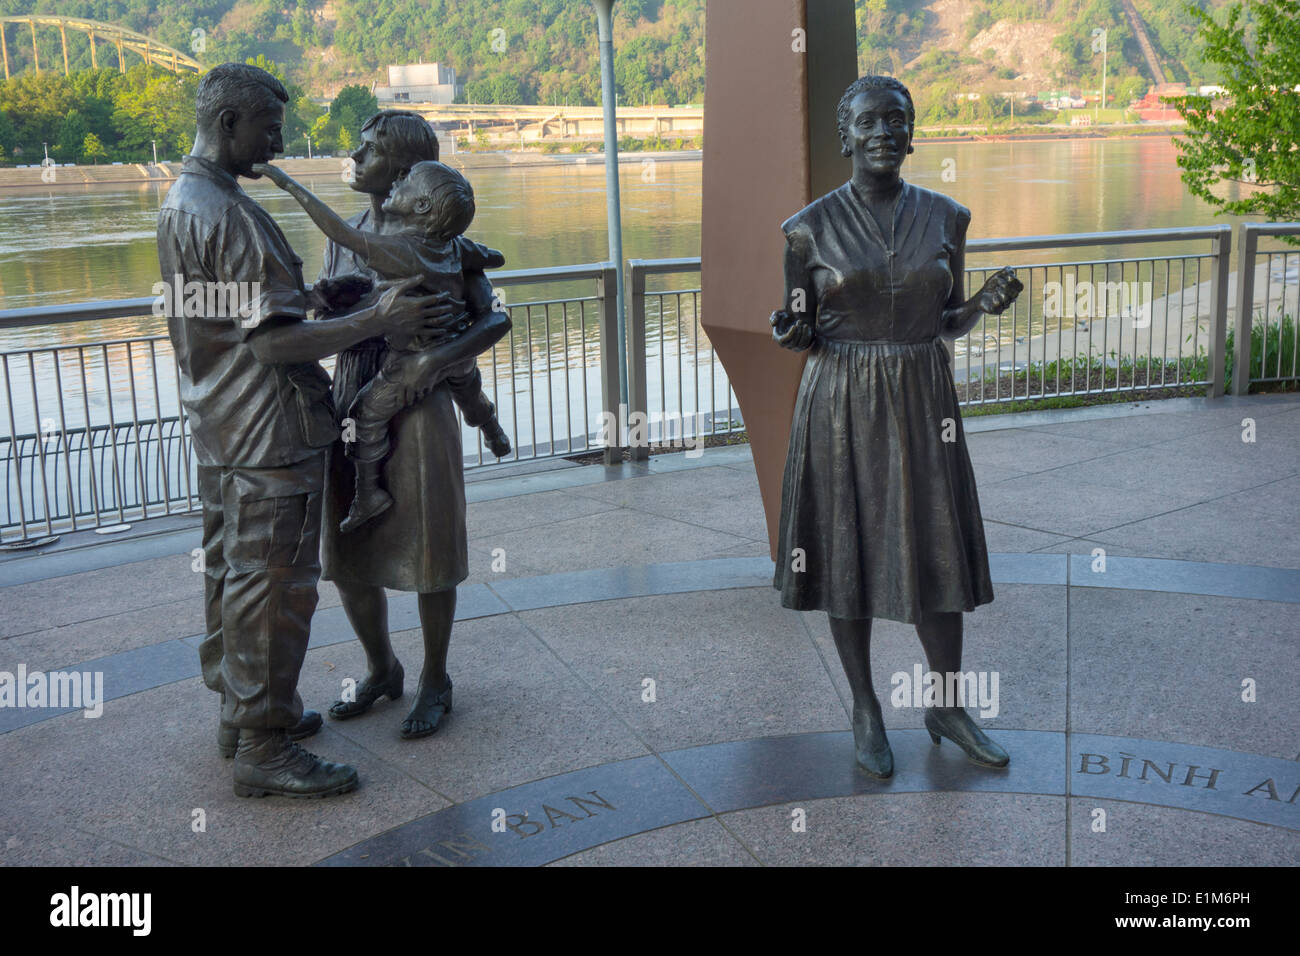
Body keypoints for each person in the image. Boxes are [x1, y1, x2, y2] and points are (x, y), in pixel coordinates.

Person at [158, 64, 471, 798]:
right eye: (269, 128)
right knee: (272, 584)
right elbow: (266, 344)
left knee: (236, 572)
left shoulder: (186, 201)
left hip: (224, 421)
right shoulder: (230, 212)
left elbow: (231, 317)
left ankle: (246, 714)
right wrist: (373, 320)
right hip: (267, 425)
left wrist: (311, 299)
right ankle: (264, 743)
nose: (277, 142)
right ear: (230, 122)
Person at [770, 75, 1023, 779]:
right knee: (844, 548)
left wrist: (980, 303)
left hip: (922, 395)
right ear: (844, 136)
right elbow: (799, 323)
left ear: (913, 134)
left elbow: (946, 323)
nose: (883, 132)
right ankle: (864, 706)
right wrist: (788, 329)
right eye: (868, 122)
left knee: (937, 548)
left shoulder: (948, 217)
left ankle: (946, 704)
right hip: (840, 399)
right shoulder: (807, 228)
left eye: (897, 120)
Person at [313, 111, 511, 740]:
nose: (354, 156)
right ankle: (380, 669)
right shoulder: (350, 232)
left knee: (430, 547)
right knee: (347, 550)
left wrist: (433, 357)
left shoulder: (439, 235)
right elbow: (341, 304)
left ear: (404, 173)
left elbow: (491, 317)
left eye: (366, 150)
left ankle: (435, 678)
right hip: (355, 384)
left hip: (420, 399)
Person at [252, 159, 508, 532]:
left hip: (412, 360)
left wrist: (289, 184)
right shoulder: (454, 247)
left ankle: (369, 493)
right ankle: (491, 428)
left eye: (406, 178)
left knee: (362, 416)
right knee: (470, 393)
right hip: (458, 353)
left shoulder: (401, 251)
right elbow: (493, 256)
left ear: (421, 206)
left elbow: (340, 232)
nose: (398, 179)